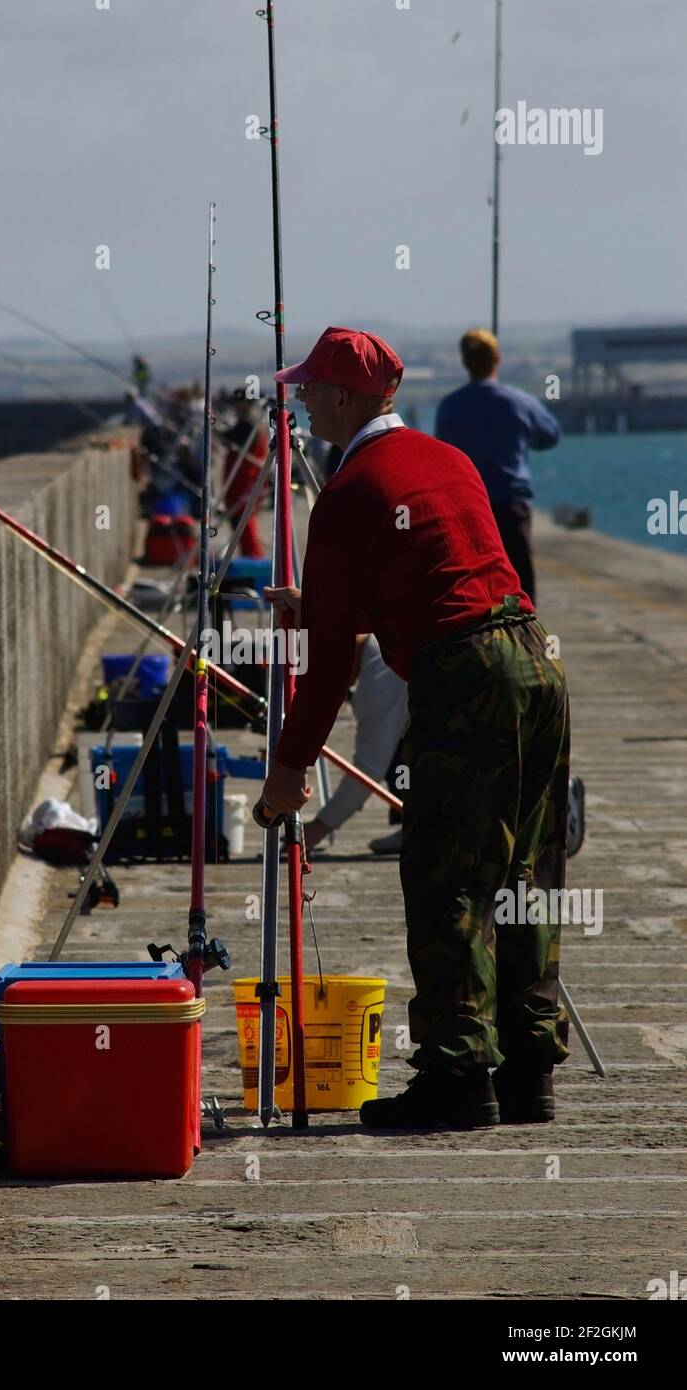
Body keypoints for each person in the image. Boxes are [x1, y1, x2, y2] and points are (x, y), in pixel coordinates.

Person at [260, 325, 570, 1130]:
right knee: (525, 872)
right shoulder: (445, 459)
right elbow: (442, 574)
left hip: (464, 677)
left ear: (339, 397)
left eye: (305, 389)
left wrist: (288, 771)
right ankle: (530, 1070)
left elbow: (329, 668)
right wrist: (327, 608)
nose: (297, 400)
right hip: (534, 660)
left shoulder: (348, 491)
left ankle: (458, 1078)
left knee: (445, 877)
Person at [435, 328, 560, 605]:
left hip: (468, 507)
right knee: (519, 582)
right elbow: (550, 435)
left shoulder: (450, 406)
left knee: (475, 583)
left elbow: (442, 453)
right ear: (497, 359)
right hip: (511, 505)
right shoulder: (519, 402)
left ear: (465, 362)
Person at [303, 634, 408, 852]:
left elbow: (369, 768)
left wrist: (317, 828)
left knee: (394, 752)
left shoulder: (380, 670)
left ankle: (428, 830)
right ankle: (416, 827)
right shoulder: (382, 643)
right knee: (402, 749)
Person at [221, 393, 269, 559]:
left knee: (245, 525)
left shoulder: (250, 425)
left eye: (238, 403)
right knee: (241, 526)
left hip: (244, 482)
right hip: (240, 481)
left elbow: (235, 440)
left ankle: (255, 561)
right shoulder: (251, 424)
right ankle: (251, 559)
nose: (235, 407)